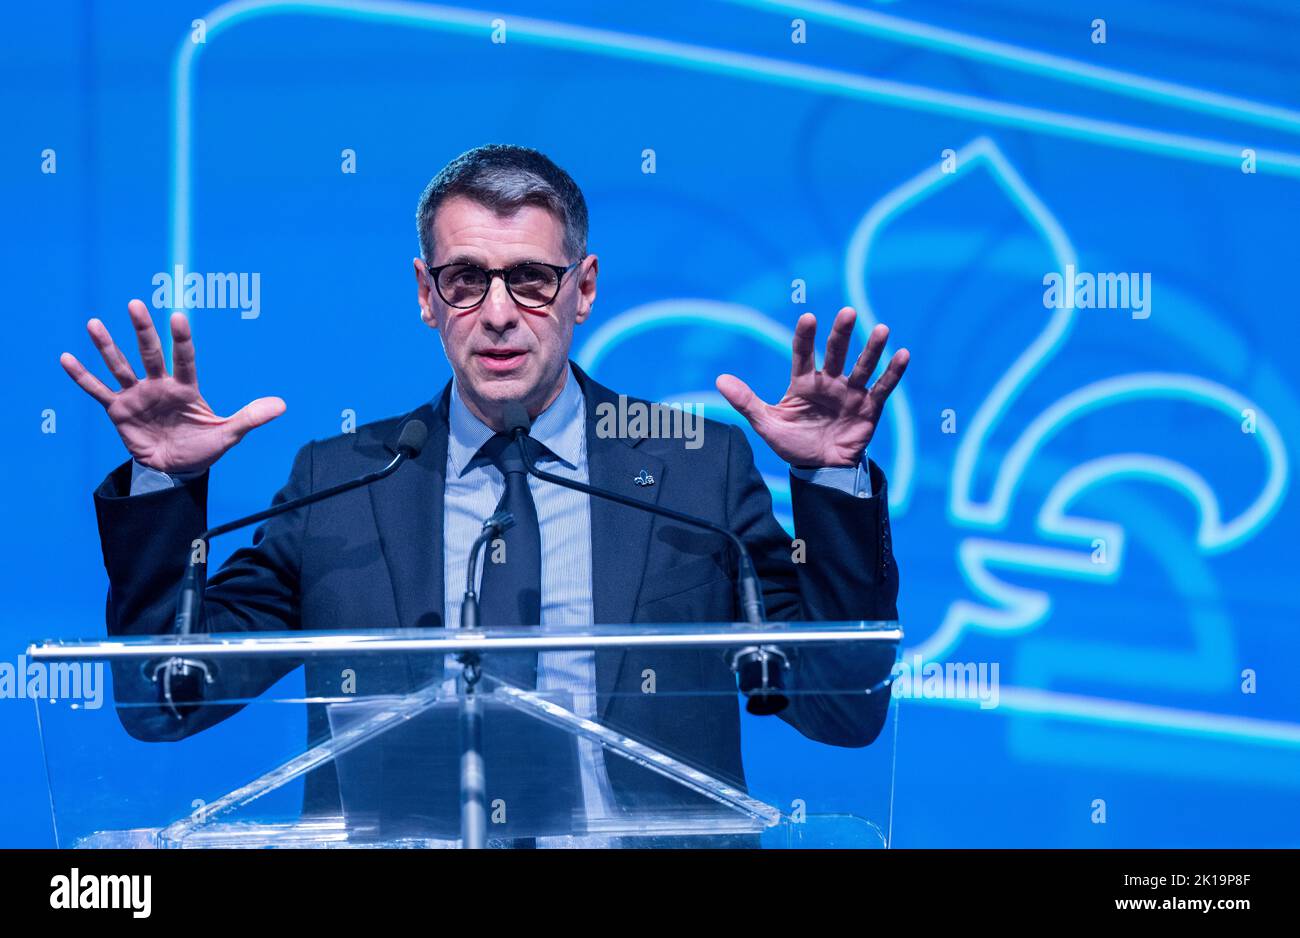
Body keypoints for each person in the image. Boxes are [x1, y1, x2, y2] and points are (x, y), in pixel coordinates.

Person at [59, 143, 910, 839]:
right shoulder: (344, 481)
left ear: (583, 290)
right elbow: (163, 702)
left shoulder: (694, 470)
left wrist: (827, 475)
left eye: (532, 279)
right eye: (466, 279)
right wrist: (166, 484)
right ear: (428, 296)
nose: (498, 312)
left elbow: (841, 706)